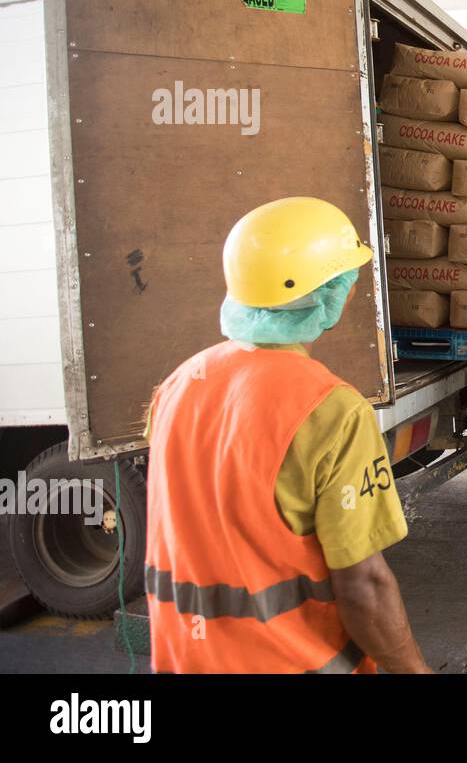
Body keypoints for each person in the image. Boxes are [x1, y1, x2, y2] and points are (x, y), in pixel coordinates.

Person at [144, 197, 431, 674]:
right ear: (327, 291)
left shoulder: (178, 384)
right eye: (345, 279)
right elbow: (364, 586)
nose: (352, 287)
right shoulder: (331, 410)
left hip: (183, 660)